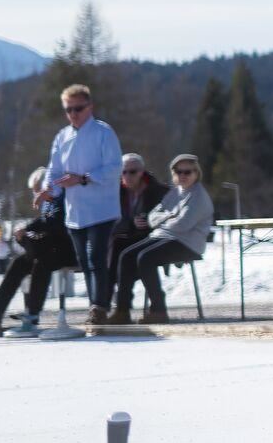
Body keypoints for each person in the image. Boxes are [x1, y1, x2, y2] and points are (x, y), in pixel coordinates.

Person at [43, 83, 124, 323]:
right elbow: (54, 169)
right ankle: (95, 305)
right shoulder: (62, 136)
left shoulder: (104, 132)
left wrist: (85, 179)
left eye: (78, 108)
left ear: (90, 107)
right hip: (75, 211)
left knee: (96, 258)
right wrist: (47, 191)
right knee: (84, 262)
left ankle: (99, 306)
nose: (73, 114)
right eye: (69, 110)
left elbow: (114, 168)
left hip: (102, 209)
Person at [0, 167, 77, 336]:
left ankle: (32, 313)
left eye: (36, 190)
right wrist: (26, 230)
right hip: (52, 249)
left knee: (41, 263)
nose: (35, 195)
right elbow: (44, 223)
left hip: (67, 250)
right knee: (19, 263)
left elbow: (55, 227)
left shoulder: (61, 201)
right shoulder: (50, 205)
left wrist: (30, 234)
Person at [115, 154, 215, 322]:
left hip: (187, 244)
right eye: (178, 171)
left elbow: (183, 225)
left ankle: (158, 310)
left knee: (145, 258)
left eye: (187, 172)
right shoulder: (175, 192)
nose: (182, 175)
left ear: (196, 173)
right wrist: (168, 217)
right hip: (164, 237)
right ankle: (122, 311)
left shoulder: (199, 196)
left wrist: (163, 220)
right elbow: (152, 217)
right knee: (126, 256)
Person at [98, 154, 169, 324]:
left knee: (125, 255)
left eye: (133, 172)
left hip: (152, 237)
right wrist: (131, 222)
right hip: (127, 237)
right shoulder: (116, 192)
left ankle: (122, 309)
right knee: (115, 249)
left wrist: (149, 221)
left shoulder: (157, 191)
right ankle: (107, 307)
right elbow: (111, 220)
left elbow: (167, 216)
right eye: (124, 172)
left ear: (142, 172)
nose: (128, 176)